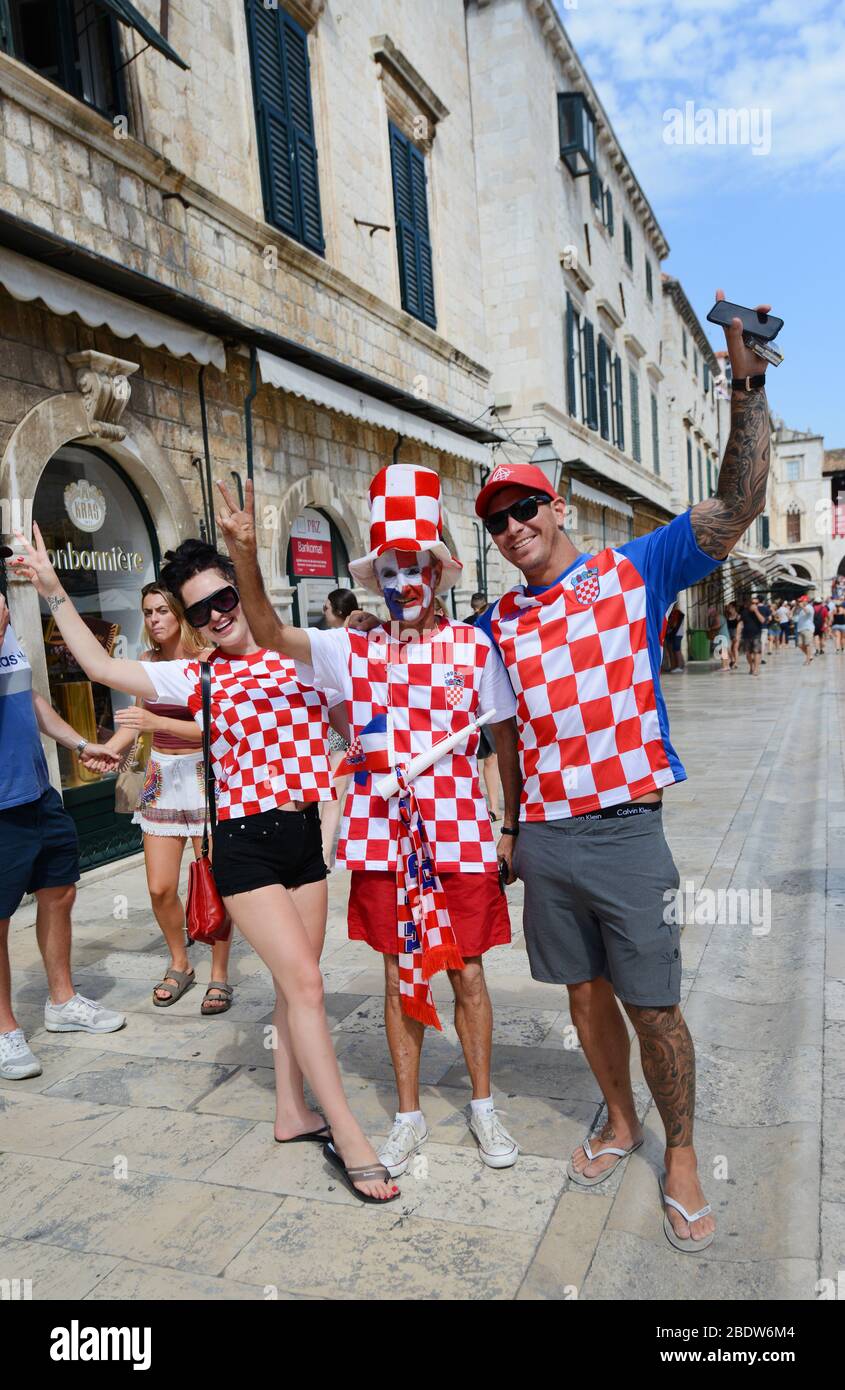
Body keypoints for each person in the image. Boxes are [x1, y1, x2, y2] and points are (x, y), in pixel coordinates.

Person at [472, 289, 775, 1253]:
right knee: (581, 995)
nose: (513, 526)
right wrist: (511, 830)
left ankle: (679, 1152)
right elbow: (498, 731)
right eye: (496, 520)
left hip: (623, 829)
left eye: (524, 507)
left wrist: (745, 387)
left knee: (655, 1004)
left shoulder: (631, 570)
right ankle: (618, 1116)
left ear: (555, 506)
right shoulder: (495, 625)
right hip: (547, 842)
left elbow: (737, 504)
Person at [12, 531, 399, 1203]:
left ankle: (291, 1113)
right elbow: (102, 672)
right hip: (244, 848)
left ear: (242, 589)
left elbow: (361, 720)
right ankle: (348, 1133)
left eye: (224, 597)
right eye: (199, 611)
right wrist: (52, 592)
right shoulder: (196, 674)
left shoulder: (304, 655)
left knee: (290, 987)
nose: (217, 614)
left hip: (304, 838)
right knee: (307, 985)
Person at [217, 464, 523, 1177]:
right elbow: (265, 629)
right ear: (376, 575)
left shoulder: (475, 649)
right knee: (394, 975)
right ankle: (409, 1115)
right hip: (384, 840)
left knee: (468, 976)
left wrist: (511, 827)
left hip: (460, 835)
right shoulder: (350, 650)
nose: (401, 582)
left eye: (413, 565)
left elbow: (504, 739)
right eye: (388, 568)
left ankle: (482, 1105)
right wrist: (243, 555)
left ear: (440, 573)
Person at [0, 567, 125, 1081]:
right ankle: (5, 1030)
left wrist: (79, 743)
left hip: (36, 791)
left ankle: (61, 1000)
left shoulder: (8, 627)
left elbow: (28, 699)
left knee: (60, 891)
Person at [99, 583, 233, 1014]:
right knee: (159, 887)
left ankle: (219, 974)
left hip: (204, 775)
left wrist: (157, 719)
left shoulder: (207, 661)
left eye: (161, 610)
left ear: (178, 613)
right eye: (148, 612)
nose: (154, 619)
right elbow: (136, 724)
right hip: (160, 777)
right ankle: (180, 961)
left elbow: (215, 728)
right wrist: (107, 750)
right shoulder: (147, 663)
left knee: (212, 880)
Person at [316, 588, 359, 869]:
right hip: (363, 719)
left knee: (334, 791)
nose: (323, 613)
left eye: (326, 608)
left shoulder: (332, 642)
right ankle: (325, 852)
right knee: (338, 789)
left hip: (341, 717)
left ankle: (323, 853)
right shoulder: (364, 639)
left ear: (337, 611)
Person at [738, 596, 765, 676]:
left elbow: (763, 620)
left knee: (757, 652)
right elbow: (740, 623)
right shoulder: (744, 612)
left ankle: (756, 669)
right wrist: (738, 634)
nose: (755, 605)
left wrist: (756, 611)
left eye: (757, 603)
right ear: (749, 603)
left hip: (756, 634)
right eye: (753, 603)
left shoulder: (760, 610)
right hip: (746, 635)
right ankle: (751, 666)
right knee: (748, 653)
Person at [706, 605, 730, 672]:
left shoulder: (717, 617)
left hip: (722, 636)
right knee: (723, 651)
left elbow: (718, 625)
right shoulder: (720, 616)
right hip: (723, 636)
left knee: (723, 652)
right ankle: (726, 666)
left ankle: (725, 666)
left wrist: (710, 628)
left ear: (713, 611)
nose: (710, 615)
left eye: (710, 613)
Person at [794, 597, 815, 665]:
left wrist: (802, 607)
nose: (800, 602)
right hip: (800, 629)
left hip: (807, 629)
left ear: (805, 601)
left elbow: (808, 613)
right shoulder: (801, 609)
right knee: (799, 645)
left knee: (808, 644)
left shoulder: (809, 607)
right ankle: (810, 656)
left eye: (801, 601)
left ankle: (807, 660)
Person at [666, 603, 685, 673]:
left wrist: (669, 629)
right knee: (676, 650)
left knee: (677, 650)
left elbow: (674, 624)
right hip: (678, 633)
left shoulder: (676, 613)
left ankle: (679, 666)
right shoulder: (677, 613)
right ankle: (680, 665)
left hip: (677, 634)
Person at [725, 601, 740, 668]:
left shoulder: (738, 616)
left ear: (734, 608)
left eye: (730, 607)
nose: (728, 608)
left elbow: (740, 626)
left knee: (735, 648)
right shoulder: (727, 615)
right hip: (728, 633)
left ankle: (736, 663)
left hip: (736, 632)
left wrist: (737, 634)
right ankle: (732, 659)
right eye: (728, 607)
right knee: (728, 648)